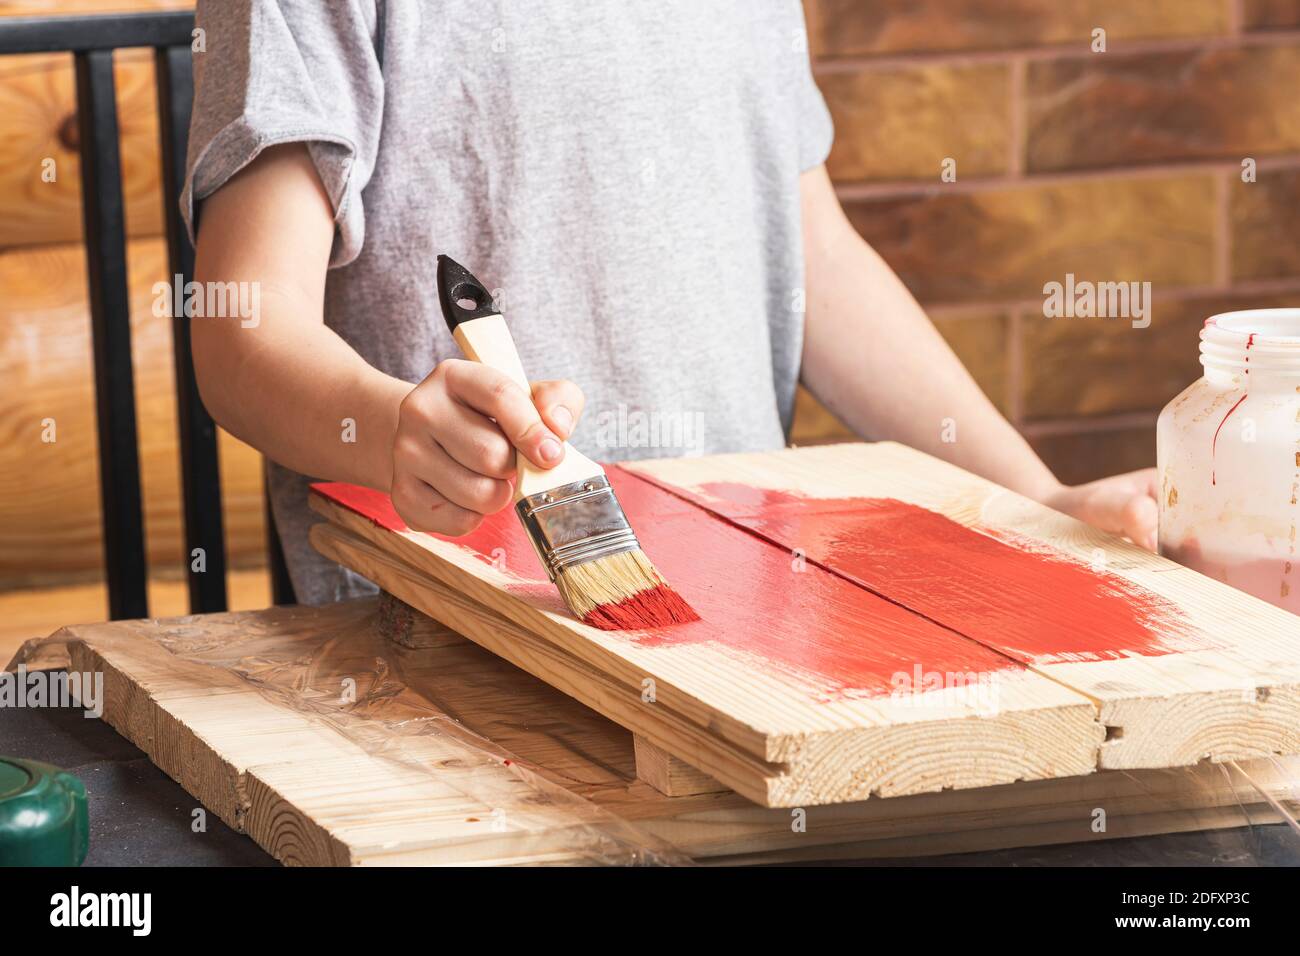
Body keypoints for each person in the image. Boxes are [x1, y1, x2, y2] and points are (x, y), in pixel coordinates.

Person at [186, 1, 1157, 604]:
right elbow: (241, 335)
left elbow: (813, 260)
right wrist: (395, 426)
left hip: (754, 611)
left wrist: (1038, 501)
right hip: (452, 630)